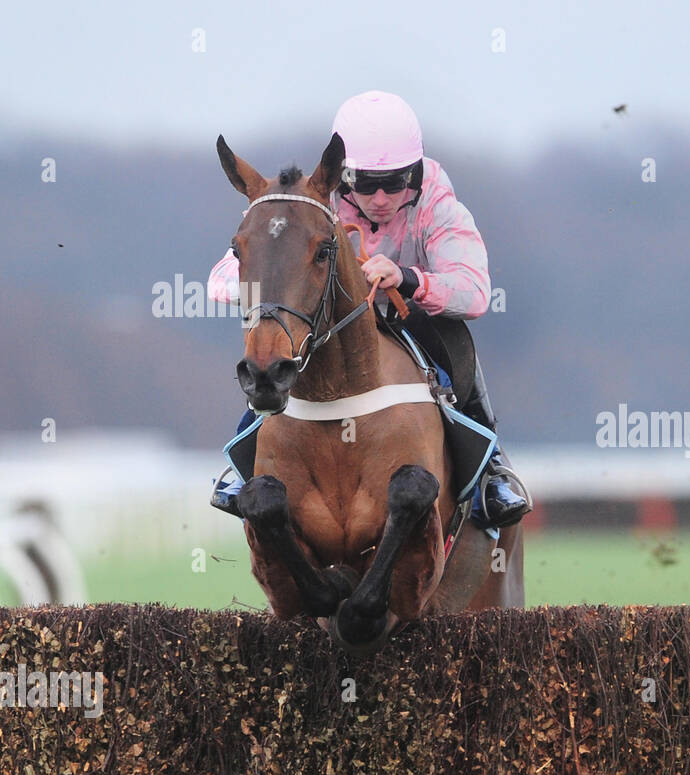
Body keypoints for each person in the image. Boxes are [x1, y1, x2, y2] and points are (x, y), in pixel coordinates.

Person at [208, 91, 530, 528]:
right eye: (365, 183)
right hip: (334, 322)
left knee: (457, 342)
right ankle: (243, 455)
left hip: (412, 315)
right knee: (276, 348)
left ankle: (492, 469)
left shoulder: (439, 203)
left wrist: (408, 277)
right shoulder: (314, 200)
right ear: (343, 175)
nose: (380, 197)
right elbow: (223, 280)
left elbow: (474, 292)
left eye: (395, 182)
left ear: (416, 173)